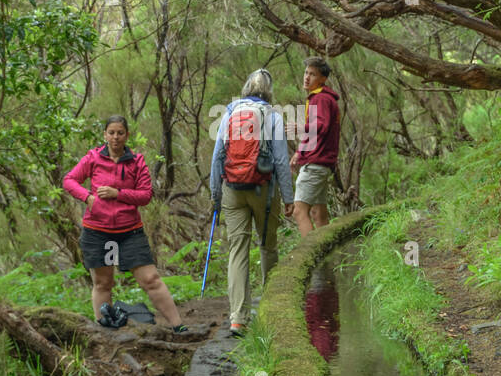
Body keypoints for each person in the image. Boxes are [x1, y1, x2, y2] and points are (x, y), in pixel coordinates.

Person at [63, 115, 191, 333]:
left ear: (126, 135)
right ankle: (105, 332)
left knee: (150, 279)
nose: (115, 137)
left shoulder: (136, 161)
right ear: (105, 135)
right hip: (97, 231)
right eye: (111, 133)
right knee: (103, 283)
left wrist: (118, 194)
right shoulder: (93, 158)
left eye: (120, 133)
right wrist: (87, 197)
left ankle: (178, 325)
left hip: (129, 231)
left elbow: (145, 196)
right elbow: (69, 180)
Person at [210, 69, 294, 336]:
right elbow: (280, 160)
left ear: (246, 87)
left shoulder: (229, 112)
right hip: (263, 190)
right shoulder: (272, 115)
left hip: (232, 189)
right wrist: (289, 197)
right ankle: (271, 310)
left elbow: (217, 156)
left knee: (238, 250)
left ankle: (238, 318)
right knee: (268, 246)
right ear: (269, 91)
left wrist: (215, 194)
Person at [289, 57, 340, 237]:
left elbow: (322, 126)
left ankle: (311, 258)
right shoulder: (318, 98)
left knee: (299, 211)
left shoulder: (322, 99)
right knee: (319, 215)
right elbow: (315, 133)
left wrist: (301, 127)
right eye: (306, 73)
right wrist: (299, 152)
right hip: (319, 162)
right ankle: (328, 258)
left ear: (323, 79)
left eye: (312, 74)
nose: (307, 77)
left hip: (316, 164)